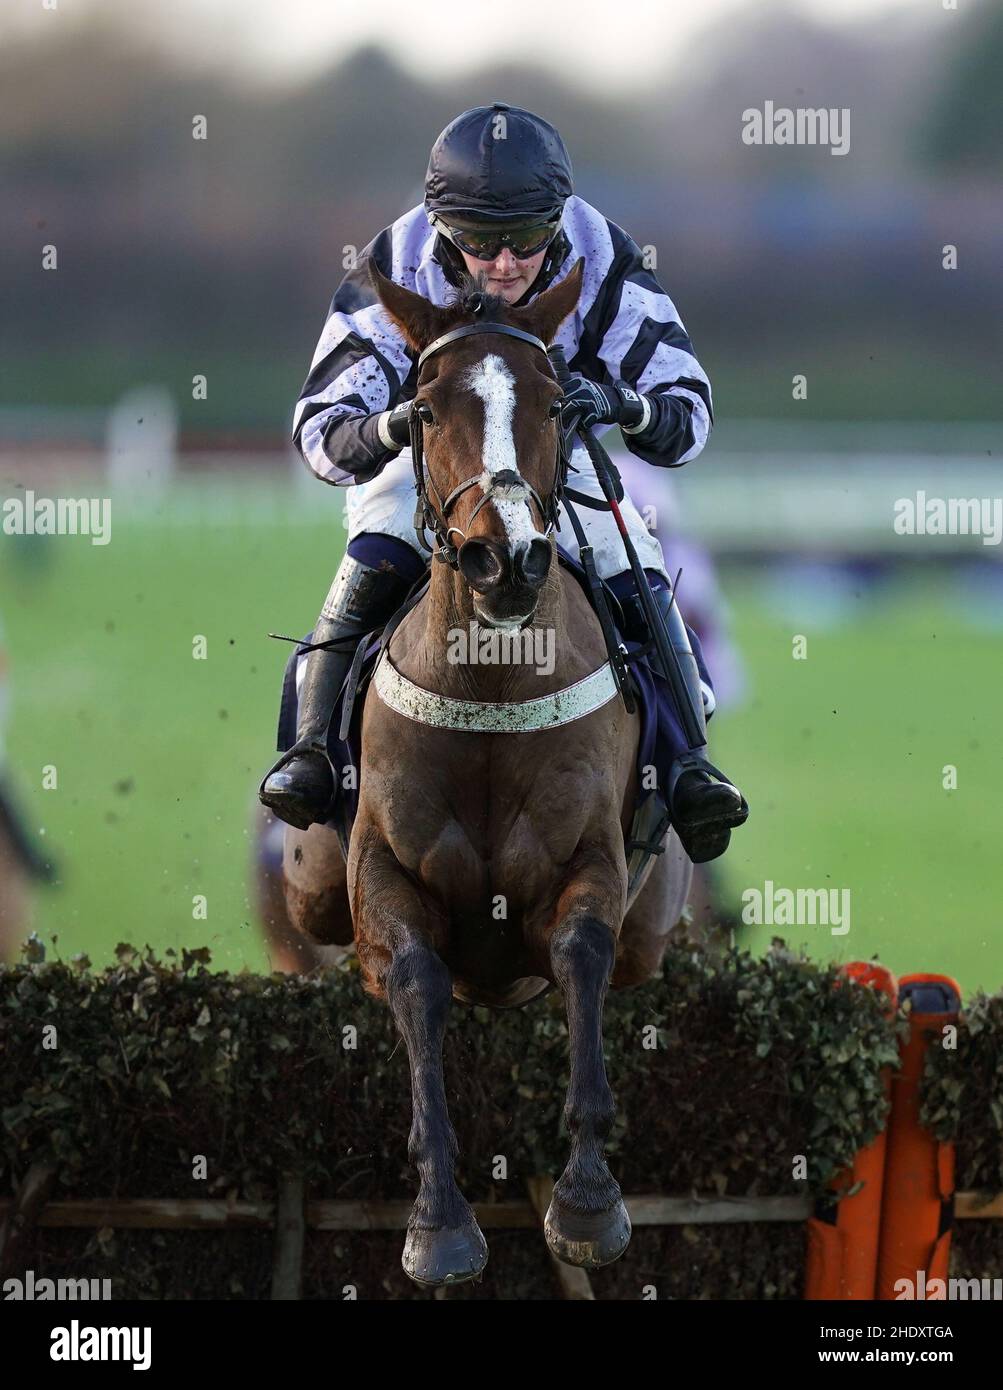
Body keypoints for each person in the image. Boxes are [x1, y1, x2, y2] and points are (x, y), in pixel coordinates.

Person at [260, 102, 747, 863]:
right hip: (434, 449)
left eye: (525, 239)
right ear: (441, 227)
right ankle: (311, 751)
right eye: (481, 242)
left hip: (549, 440)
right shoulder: (396, 259)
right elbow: (321, 433)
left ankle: (688, 765)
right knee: (378, 543)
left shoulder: (601, 250)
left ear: (558, 218)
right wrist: (399, 426)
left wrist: (618, 403)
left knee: (633, 559)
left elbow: (688, 411)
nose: (506, 262)